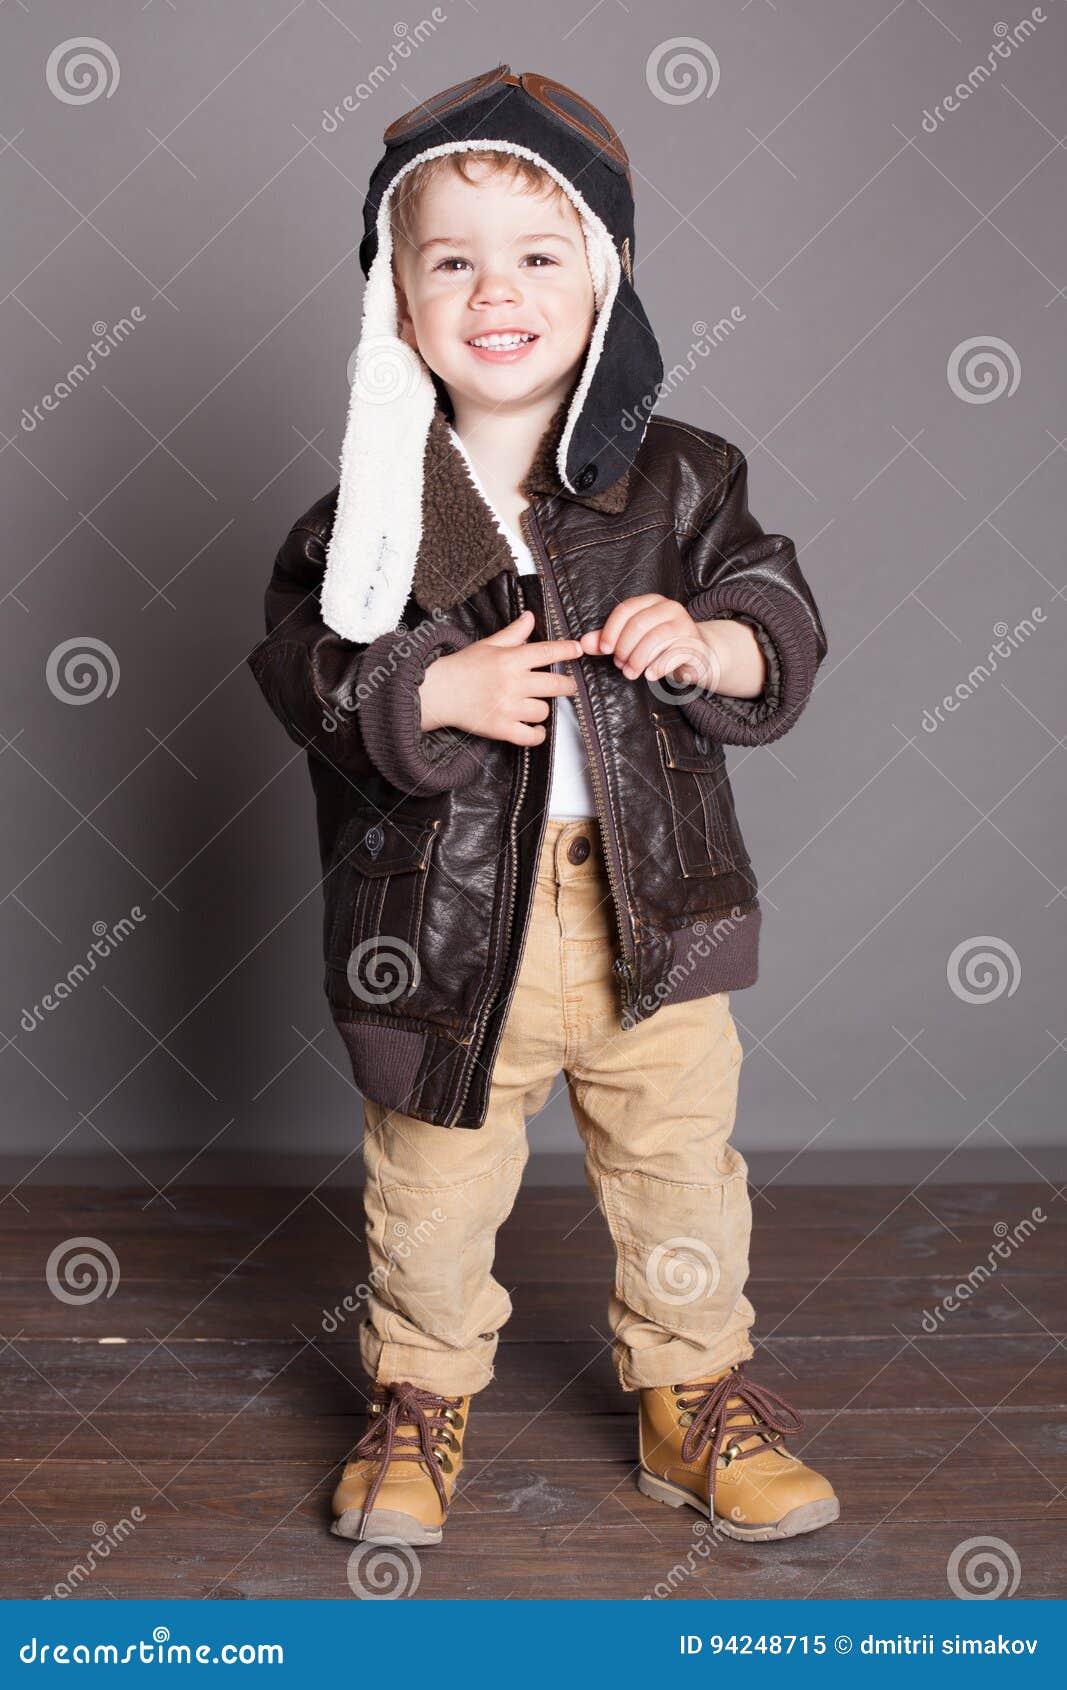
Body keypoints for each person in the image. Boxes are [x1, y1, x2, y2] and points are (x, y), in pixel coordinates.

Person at [247, 66, 837, 1550]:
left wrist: (713, 646)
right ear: (398, 298)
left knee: (681, 1170)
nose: (493, 292)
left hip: (656, 908)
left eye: (536, 256)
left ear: (606, 281)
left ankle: (691, 1393)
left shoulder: (684, 479)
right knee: (433, 1185)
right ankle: (418, 1395)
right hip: (444, 939)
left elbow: (781, 611)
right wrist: (424, 698)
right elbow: (303, 670)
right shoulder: (372, 507)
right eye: (450, 260)